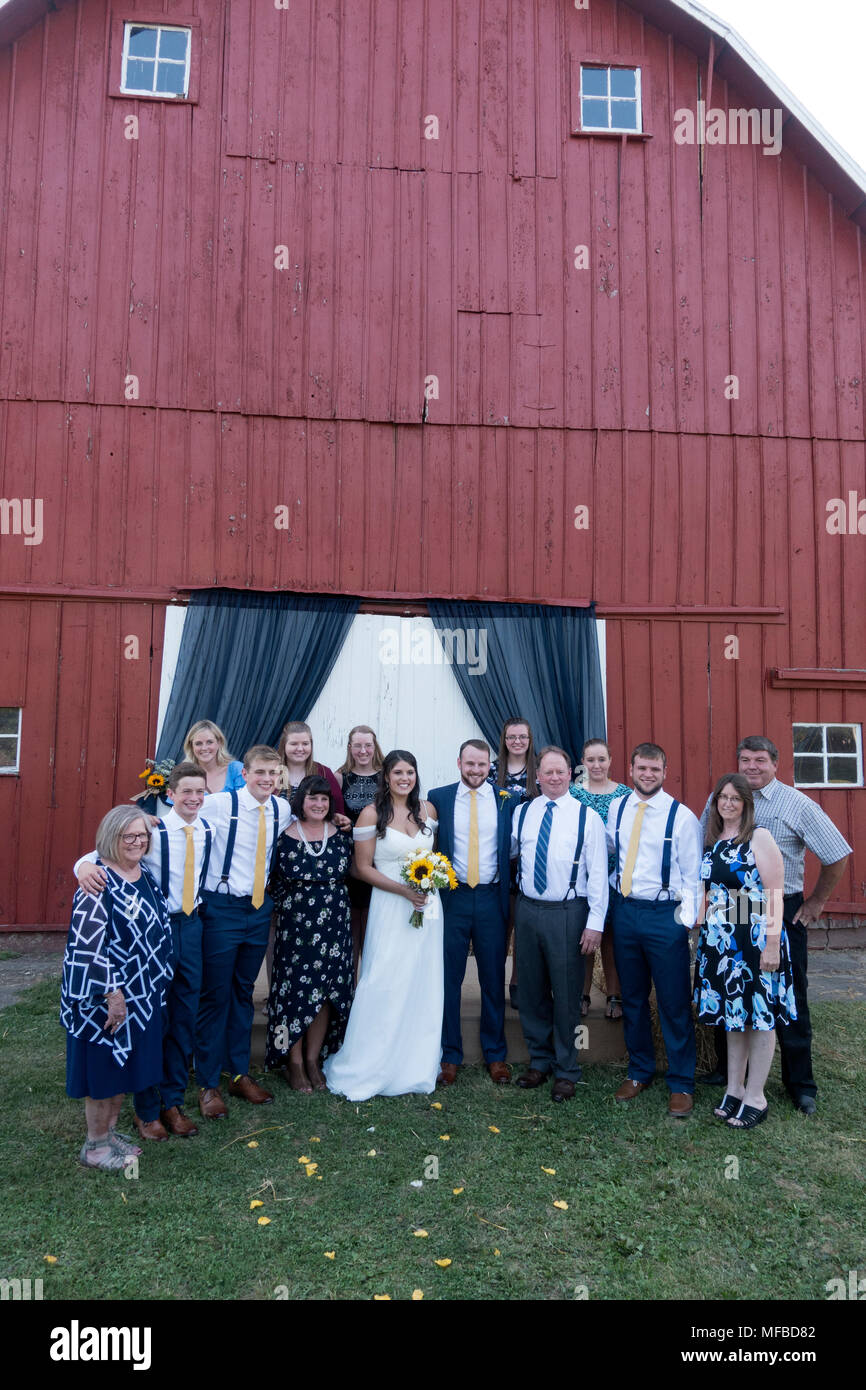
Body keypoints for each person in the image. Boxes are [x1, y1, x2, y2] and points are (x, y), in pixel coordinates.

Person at [700, 735, 852, 1115]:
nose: (752, 767)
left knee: (788, 1000)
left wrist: (816, 902)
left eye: (760, 760)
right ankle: (730, 1078)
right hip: (727, 917)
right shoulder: (719, 801)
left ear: (775, 764)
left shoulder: (796, 805)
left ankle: (799, 1084)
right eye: (745, 760)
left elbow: (837, 852)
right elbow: (705, 848)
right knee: (733, 995)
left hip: (776, 911)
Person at [73, 762, 213, 1140]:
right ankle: (146, 1110)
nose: (194, 798)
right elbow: (106, 850)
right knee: (152, 1021)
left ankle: (172, 1102)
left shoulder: (209, 829)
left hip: (188, 928)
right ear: (170, 794)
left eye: (200, 792)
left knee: (182, 1019)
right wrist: (81, 866)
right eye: (186, 791)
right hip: (146, 937)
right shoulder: (152, 829)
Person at [323, 751, 441, 1100]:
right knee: (384, 979)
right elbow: (361, 868)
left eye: (410, 771)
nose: (405, 778)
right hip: (390, 905)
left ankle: (415, 1060)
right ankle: (372, 1058)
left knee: (422, 979)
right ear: (386, 777)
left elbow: (433, 857)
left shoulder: (428, 810)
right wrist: (403, 890)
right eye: (398, 772)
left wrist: (426, 885)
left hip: (427, 906)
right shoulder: (372, 813)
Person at [61, 806, 173, 1170]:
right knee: (104, 1071)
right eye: (129, 836)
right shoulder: (97, 882)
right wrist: (113, 994)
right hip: (107, 1000)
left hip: (142, 994)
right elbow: (88, 944)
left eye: (142, 835)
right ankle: (94, 1146)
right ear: (111, 839)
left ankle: (109, 1135)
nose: (138, 841)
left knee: (123, 1069)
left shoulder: (145, 873)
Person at [194, 745, 293, 1118]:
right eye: (260, 773)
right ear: (245, 774)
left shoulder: (281, 809)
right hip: (221, 908)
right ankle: (207, 1083)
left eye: (273, 774)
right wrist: (90, 863)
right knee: (215, 995)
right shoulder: (220, 804)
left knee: (243, 992)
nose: (267, 780)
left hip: (258, 908)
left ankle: (239, 1073)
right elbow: (176, 826)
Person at [607, 743, 704, 1118]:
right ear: (631, 769)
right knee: (631, 997)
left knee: (673, 1001)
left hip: (666, 915)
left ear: (665, 772)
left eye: (655, 769)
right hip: (627, 911)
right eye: (642, 768)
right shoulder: (618, 808)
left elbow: (694, 875)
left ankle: (681, 1082)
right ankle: (640, 1070)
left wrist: (687, 923)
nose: (648, 775)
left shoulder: (682, 817)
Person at [694, 774, 795, 1130]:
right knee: (733, 1016)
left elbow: (774, 895)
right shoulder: (714, 840)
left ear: (746, 804)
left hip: (753, 939)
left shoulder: (759, 837)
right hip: (722, 941)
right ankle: (734, 1089)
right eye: (722, 797)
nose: (728, 803)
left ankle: (756, 1096)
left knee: (759, 1017)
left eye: (735, 798)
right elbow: (713, 892)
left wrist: (771, 943)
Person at [511, 746, 608, 1102]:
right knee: (532, 990)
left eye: (560, 772)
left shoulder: (587, 818)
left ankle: (567, 1069)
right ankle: (540, 1060)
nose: (554, 778)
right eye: (547, 772)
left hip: (568, 911)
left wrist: (594, 923)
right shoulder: (522, 813)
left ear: (571, 775)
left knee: (567, 994)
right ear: (537, 775)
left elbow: (598, 875)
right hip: (528, 909)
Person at [428, 740, 522, 1087]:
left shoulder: (507, 800)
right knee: (448, 978)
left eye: (482, 765)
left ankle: (496, 1054)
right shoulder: (437, 797)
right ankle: (449, 1055)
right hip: (451, 897)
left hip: (489, 898)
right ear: (458, 763)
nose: (476, 771)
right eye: (470, 764)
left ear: (490, 767)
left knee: (492, 978)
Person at [265, 776, 354, 1092]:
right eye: (312, 798)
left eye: (324, 799)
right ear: (301, 801)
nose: (319, 804)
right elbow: (271, 880)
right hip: (297, 926)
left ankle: (314, 1059)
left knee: (325, 994)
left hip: (334, 924)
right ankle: (295, 1061)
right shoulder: (283, 837)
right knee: (296, 994)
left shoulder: (343, 835)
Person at [570, 738, 629, 1020]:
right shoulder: (572, 794)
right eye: (590, 760)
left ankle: (614, 995)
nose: (596, 765)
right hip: (583, 877)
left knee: (611, 939)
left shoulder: (626, 795)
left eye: (601, 759)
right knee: (586, 936)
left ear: (610, 761)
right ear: (583, 762)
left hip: (615, 876)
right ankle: (581, 994)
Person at [488, 717, 537, 1009]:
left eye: (522, 737)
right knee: (500, 924)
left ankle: (518, 981)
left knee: (523, 924)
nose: (517, 742)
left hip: (529, 858)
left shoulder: (540, 772)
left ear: (530, 740)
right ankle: (495, 979)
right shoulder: (493, 770)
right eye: (511, 737)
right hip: (499, 856)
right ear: (504, 740)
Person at [336, 725, 385, 973]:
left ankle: (369, 985)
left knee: (374, 928)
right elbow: (331, 817)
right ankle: (350, 987)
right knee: (351, 928)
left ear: (375, 746)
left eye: (368, 745)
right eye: (358, 745)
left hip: (379, 861)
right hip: (349, 862)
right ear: (350, 748)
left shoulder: (386, 775)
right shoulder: (339, 777)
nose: (363, 750)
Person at [277, 721, 345, 814]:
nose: (300, 749)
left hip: (315, 828)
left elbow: (338, 810)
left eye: (305, 744)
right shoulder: (273, 772)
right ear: (283, 745)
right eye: (294, 744)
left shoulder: (323, 772)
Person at [183, 720, 245, 795]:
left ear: (219, 743)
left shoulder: (237, 770)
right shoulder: (183, 776)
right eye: (198, 743)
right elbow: (173, 805)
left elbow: (248, 803)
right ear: (191, 747)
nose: (204, 748)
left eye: (209, 742)